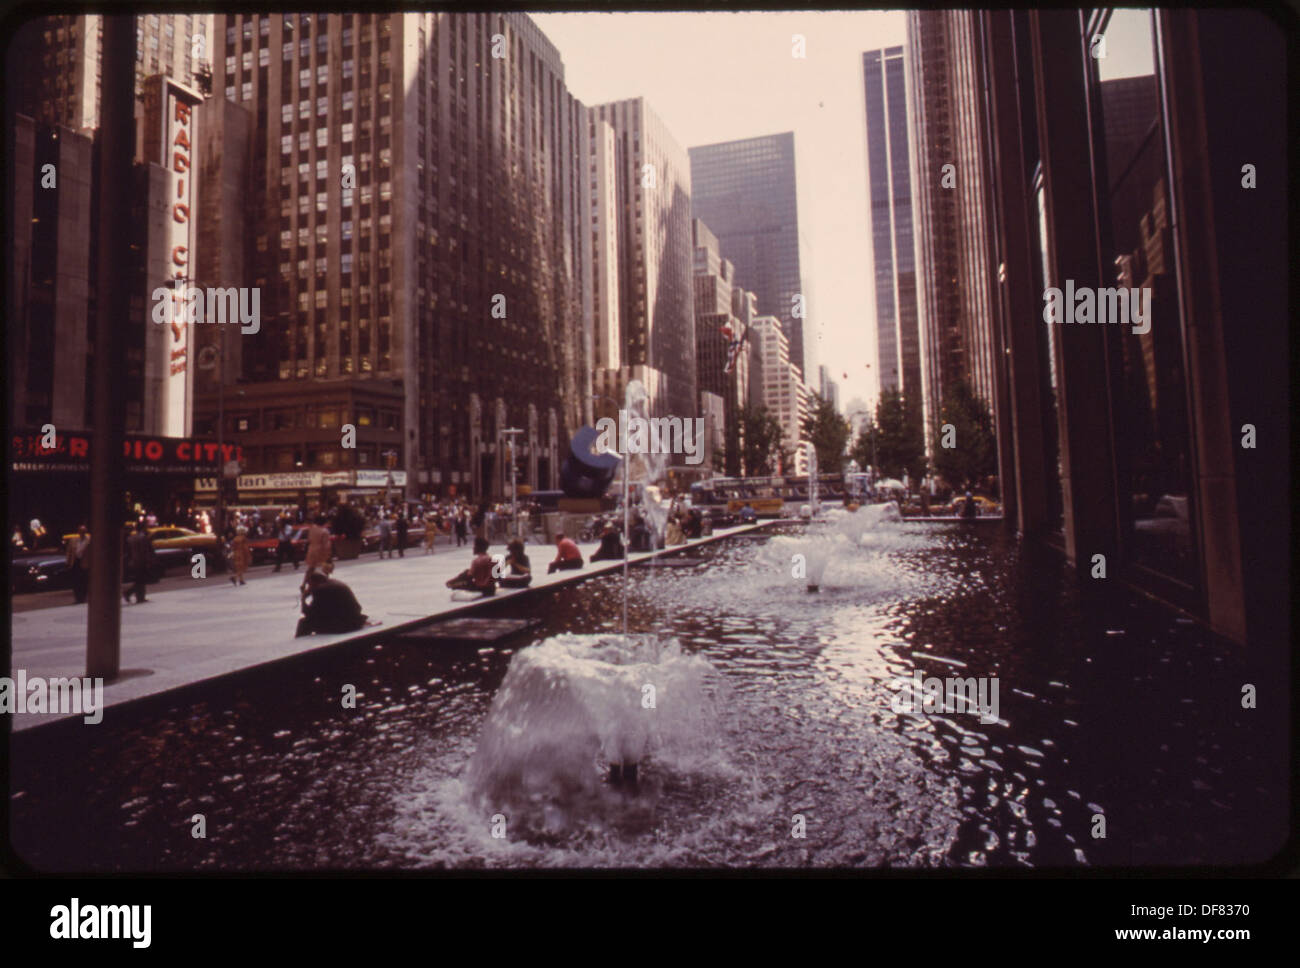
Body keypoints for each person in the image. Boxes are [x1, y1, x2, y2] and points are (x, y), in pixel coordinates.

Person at [296, 571, 369, 637]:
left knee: (304, 622)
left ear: (314, 582)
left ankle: (300, 646)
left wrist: (303, 599)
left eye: (309, 584)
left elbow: (308, 613)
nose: (309, 587)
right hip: (356, 620)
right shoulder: (336, 582)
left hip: (344, 625)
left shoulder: (321, 590)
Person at [122, 521, 156, 604]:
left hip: (133, 561)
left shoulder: (131, 538)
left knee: (139, 579)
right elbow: (147, 551)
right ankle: (135, 595)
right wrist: (150, 561)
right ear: (143, 528)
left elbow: (127, 551)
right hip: (141, 561)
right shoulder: (143, 537)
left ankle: (138, 596)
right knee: (141, 580)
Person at [302, 516, 333, 590]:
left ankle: (303, 584)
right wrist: (329, 554)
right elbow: (326, 544)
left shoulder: (312, 529)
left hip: (312, 549)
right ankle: (326, 583)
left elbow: (309, 539)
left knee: (311, 568)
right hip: (320, 551)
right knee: (326, 568)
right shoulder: (325, 531)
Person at [64, 525, 91, 603]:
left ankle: (83, 598)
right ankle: (77, 598)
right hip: (75, 562)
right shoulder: (73, 540)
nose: (82, 533)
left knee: (84, 581)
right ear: (78, 532)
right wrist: (68, 562)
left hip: (85, 563)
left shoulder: (89, 540)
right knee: (76, 581)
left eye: (83, 531)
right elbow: (69, 552)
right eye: (80, 531)